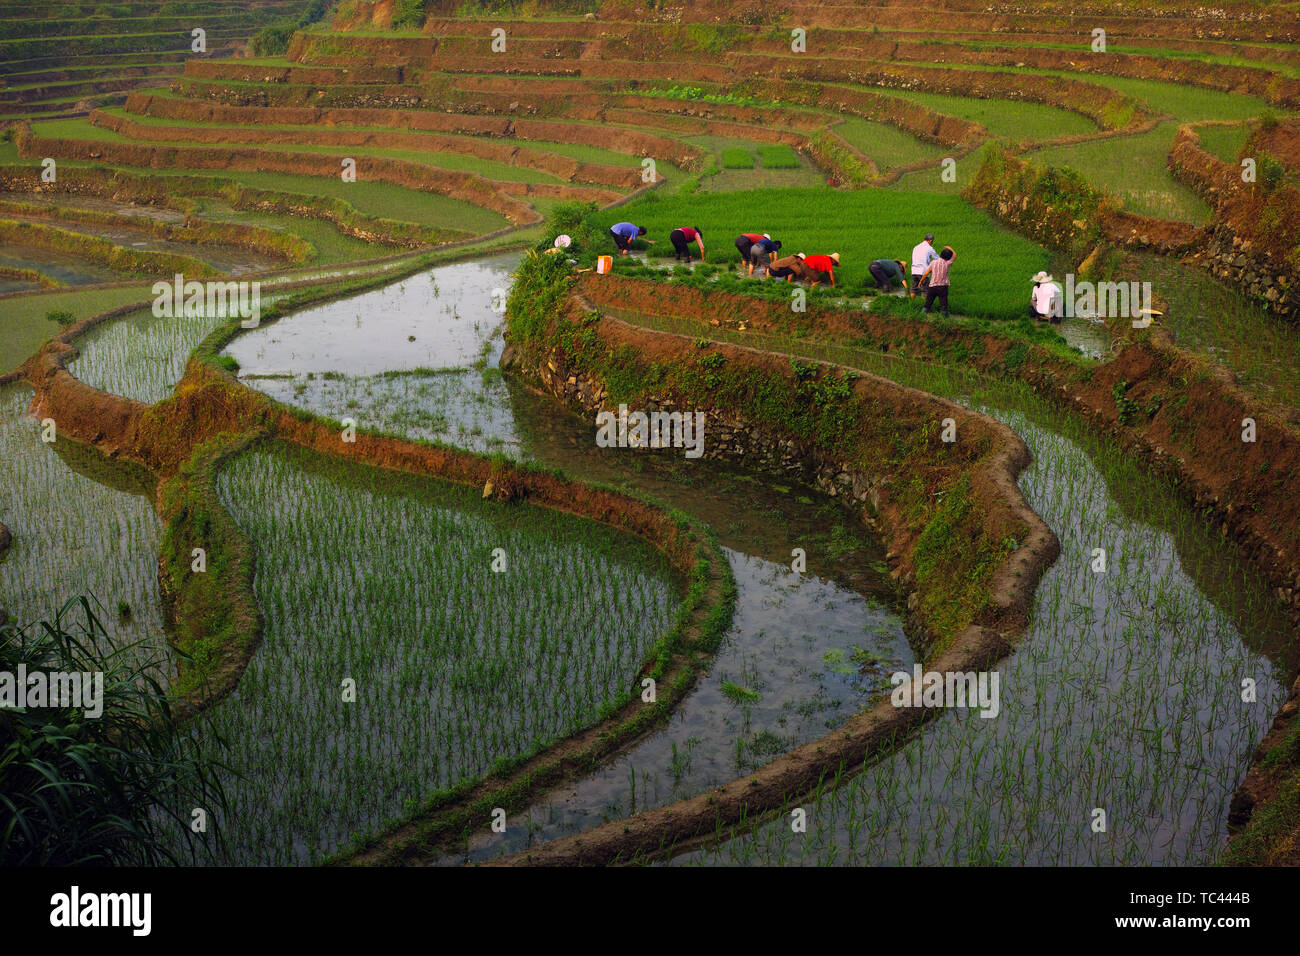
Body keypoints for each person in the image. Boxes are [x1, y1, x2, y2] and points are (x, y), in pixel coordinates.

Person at [920, 246, 954, 317]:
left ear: (941, 254)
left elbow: (926, 273)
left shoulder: (933, 262)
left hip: (933, 286)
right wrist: (950, 248)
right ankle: (945, 319)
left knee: (928, 303)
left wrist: (920, 281)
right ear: (949, 257)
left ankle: (921, 316)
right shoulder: (948, 263)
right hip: (943, 287)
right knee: (944, 303)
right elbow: (955, 255)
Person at [910, 233, 938, 298]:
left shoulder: (916, 247)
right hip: (923, 271)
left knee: (914, 288)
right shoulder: (929, 248)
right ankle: (923, 303)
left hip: (914, 270)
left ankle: (911, 301)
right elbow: (937, 258)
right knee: (925, 289)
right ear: (930, 241)